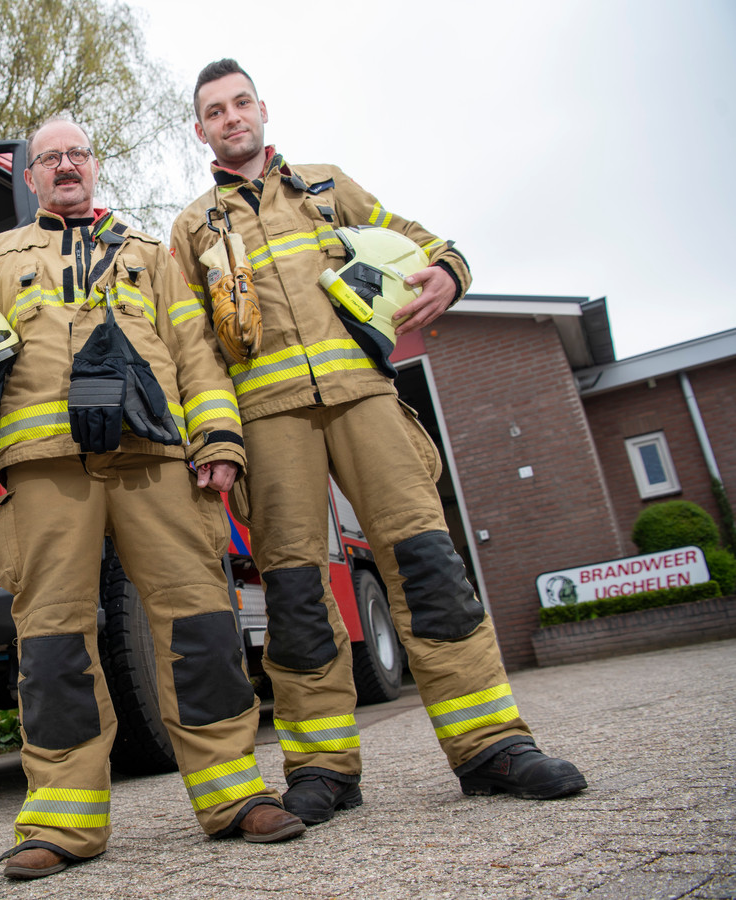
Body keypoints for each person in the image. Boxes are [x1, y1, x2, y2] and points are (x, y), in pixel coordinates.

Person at [0, 117, 303, 880]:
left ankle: (235, 792)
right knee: (51, 642)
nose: (66, 166)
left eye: (77, 154)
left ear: (94, 167)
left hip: (156, 459)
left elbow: (197, 354)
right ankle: (62, 820)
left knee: (199, 622)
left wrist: (218, 438)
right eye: (50, 158)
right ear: (31, 178)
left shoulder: (149, 255)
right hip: (42, 471)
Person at [169, 59, 587, 827]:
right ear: (201, 131)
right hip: (268, 418)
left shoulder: (329, 186)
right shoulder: (193, 227)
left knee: (427, 565)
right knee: (295, 596)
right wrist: (216, 432)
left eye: (240, 103)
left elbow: (421, 242)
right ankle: (322, 769)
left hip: (364, 397)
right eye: (215, 111)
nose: (231, 118)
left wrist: (450, 273)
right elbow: (193, 346)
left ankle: (491, 745)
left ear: (263, 109)